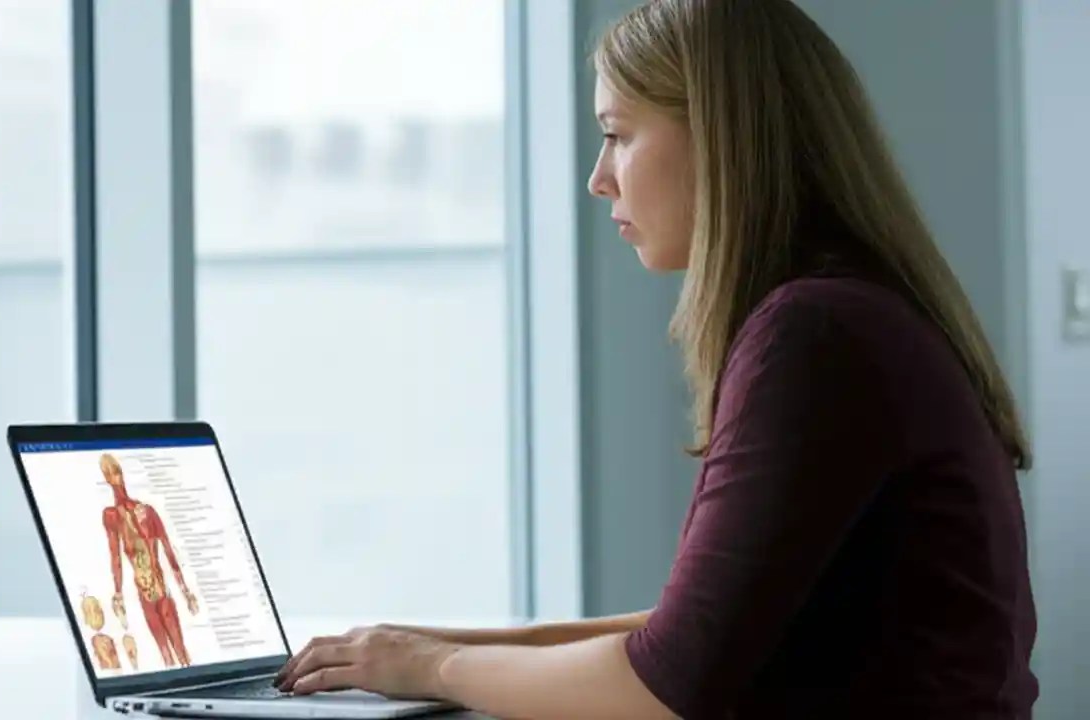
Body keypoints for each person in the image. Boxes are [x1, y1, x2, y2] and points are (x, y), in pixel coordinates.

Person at [273, 0, 1039, 717]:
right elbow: (694, 629)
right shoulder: (857, 312)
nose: (597, 178)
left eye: (618, 134)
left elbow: (669, 680)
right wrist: (424, 647)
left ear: (720, 136)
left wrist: (434, 669)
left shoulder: (814, 334)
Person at [99, 452, 201, 668]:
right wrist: (118, 595)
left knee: (180, 653)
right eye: (109, 474)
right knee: (167, 656)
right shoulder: (112, 516)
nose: (114, 478)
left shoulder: (146, 511)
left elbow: (168, 552)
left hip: (160, 593)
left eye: (114, 472)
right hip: (147, 595)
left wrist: (186, 592)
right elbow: (115, 559)